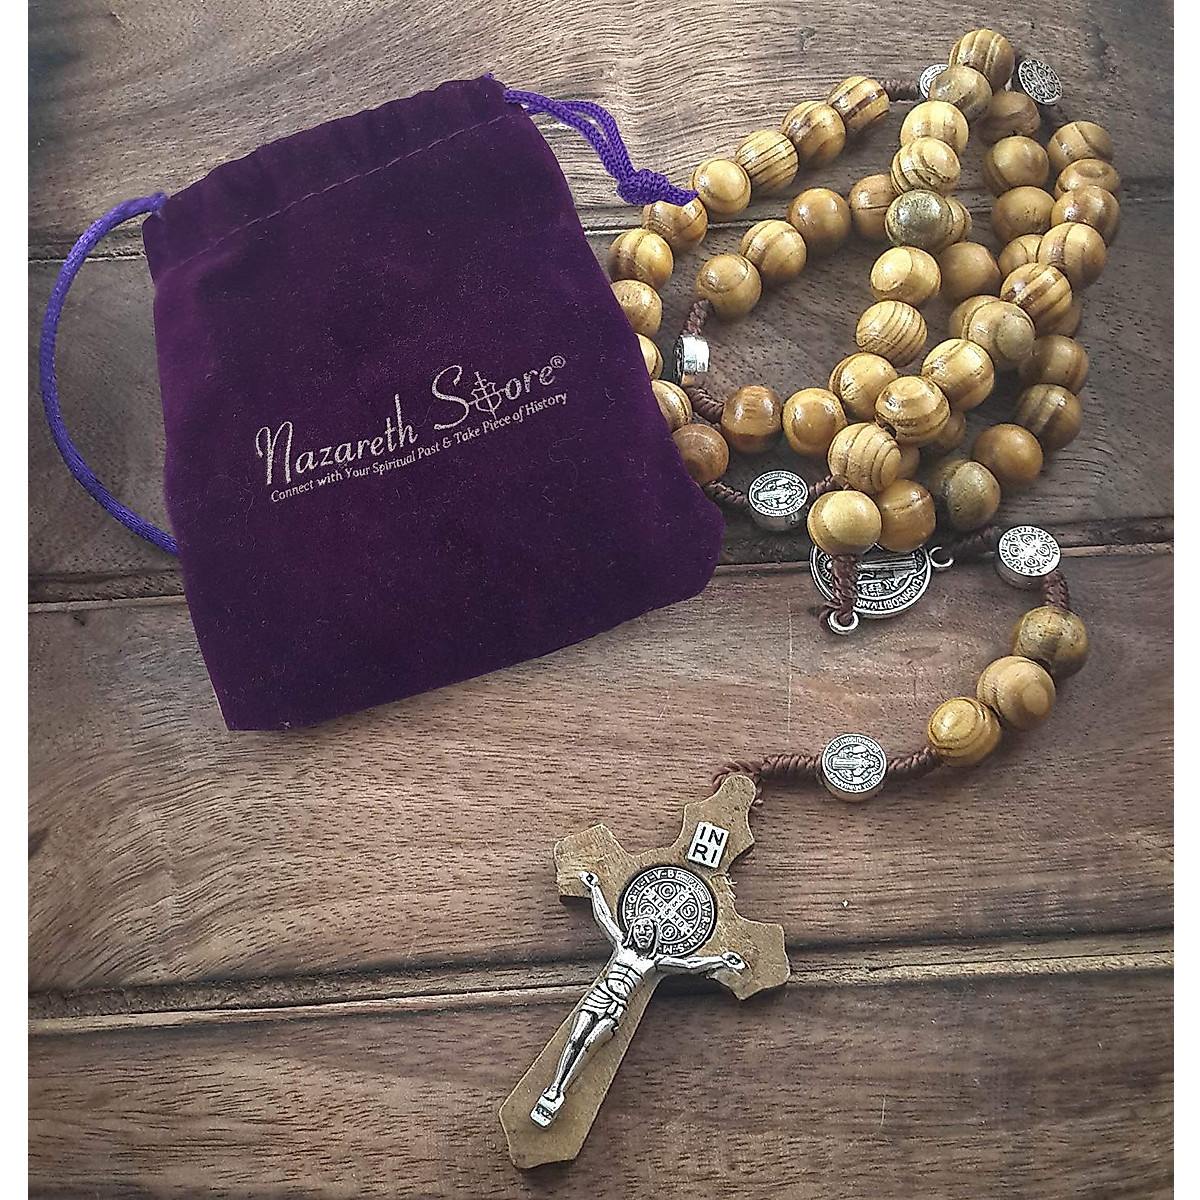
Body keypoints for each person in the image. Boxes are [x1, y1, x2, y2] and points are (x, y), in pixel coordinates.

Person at [531, 870, 745, 1127]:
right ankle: (553, 1089)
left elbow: (689, 965)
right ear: (633, 930)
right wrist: (594, 888)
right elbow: (603, 917)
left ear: (654, 937)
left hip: (617, 1007)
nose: (643, 933)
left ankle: (560, 1091)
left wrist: (720, 960)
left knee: (589, 1045)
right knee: (575, 1039)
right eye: (640, 928)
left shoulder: (654, 962)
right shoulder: (621, 945)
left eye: (649, 931)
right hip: (598, 996)